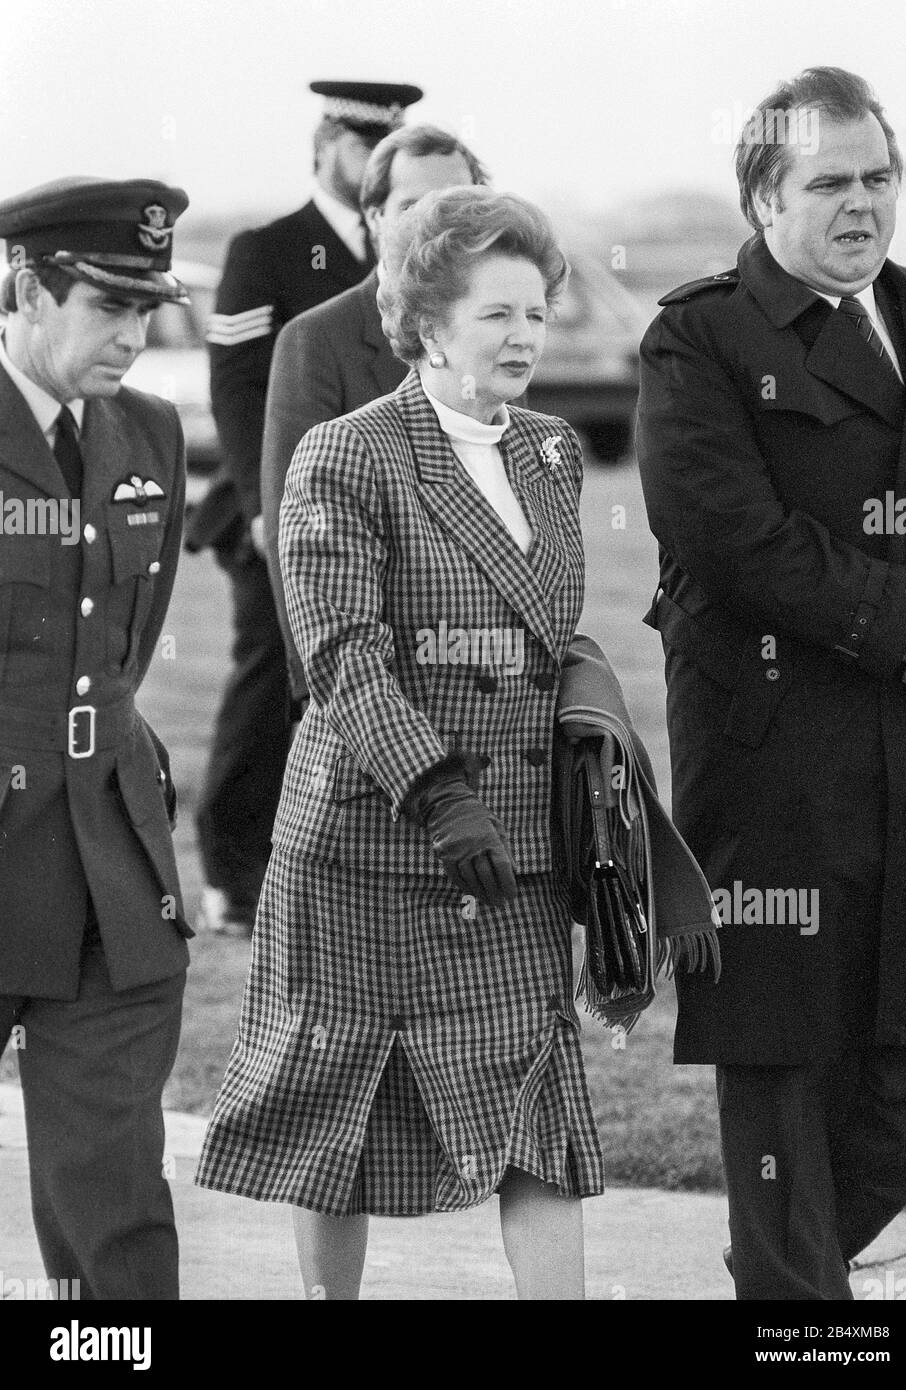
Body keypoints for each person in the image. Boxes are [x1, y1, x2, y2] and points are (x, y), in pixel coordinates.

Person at [196, 187, 603, 1300]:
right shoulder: (345, 455)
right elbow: (338, 657)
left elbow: (551, 636)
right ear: (426, 325)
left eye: (536, 312)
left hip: (519, 850)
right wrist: (435, 790)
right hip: (366, 853)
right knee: (342, 1117)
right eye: (497, 316)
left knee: (540, 1111)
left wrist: (605, 749)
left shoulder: (556, 453)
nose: (525, 336)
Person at [636, 66, 906, 1300]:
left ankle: (781, 1268)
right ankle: (796, 1301)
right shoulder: (697, 335)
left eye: (882, 176)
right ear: (765, 195)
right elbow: (727, 533)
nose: (863, 203)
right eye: (830, 182)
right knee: (784, 1066)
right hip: (773, 749)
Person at [0, 177, 193, 1299]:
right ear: (25, 288)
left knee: (115, 1205)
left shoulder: (149, 435)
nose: (133, 335)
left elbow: (122, 652)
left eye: (147, 309)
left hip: (108, 864)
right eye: (106, 305)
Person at [189, 79, 424, 937]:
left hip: (378, 508)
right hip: (274, 505)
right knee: (267, 685)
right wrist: (263, 505)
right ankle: (232, 870)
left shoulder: (408, 247)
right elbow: (238, 387)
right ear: (326, 146)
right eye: (364, 145)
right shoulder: (267, 248)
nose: (376, 163)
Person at [261, 123, 489, 702]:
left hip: (491, 685)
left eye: (456, 204)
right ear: (374, 217)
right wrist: (329, 697)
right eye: (411, 204)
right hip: (368, 685)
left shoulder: (496, 341)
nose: (436, 222)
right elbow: (299, 550)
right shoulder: (316, 340)